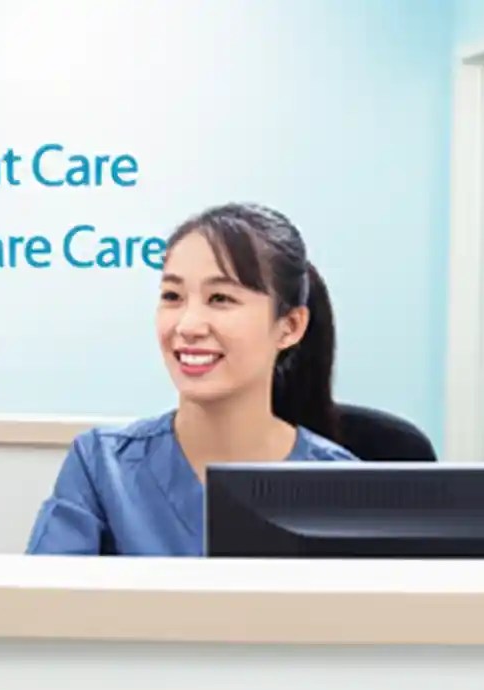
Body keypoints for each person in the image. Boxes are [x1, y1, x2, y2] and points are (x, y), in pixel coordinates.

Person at [26, 203, 357, 557]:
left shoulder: (342, 487)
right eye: (172, 297)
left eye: (220, 298)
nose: (187, 326)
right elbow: (41, 608)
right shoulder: (102, 466)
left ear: (289, 326)